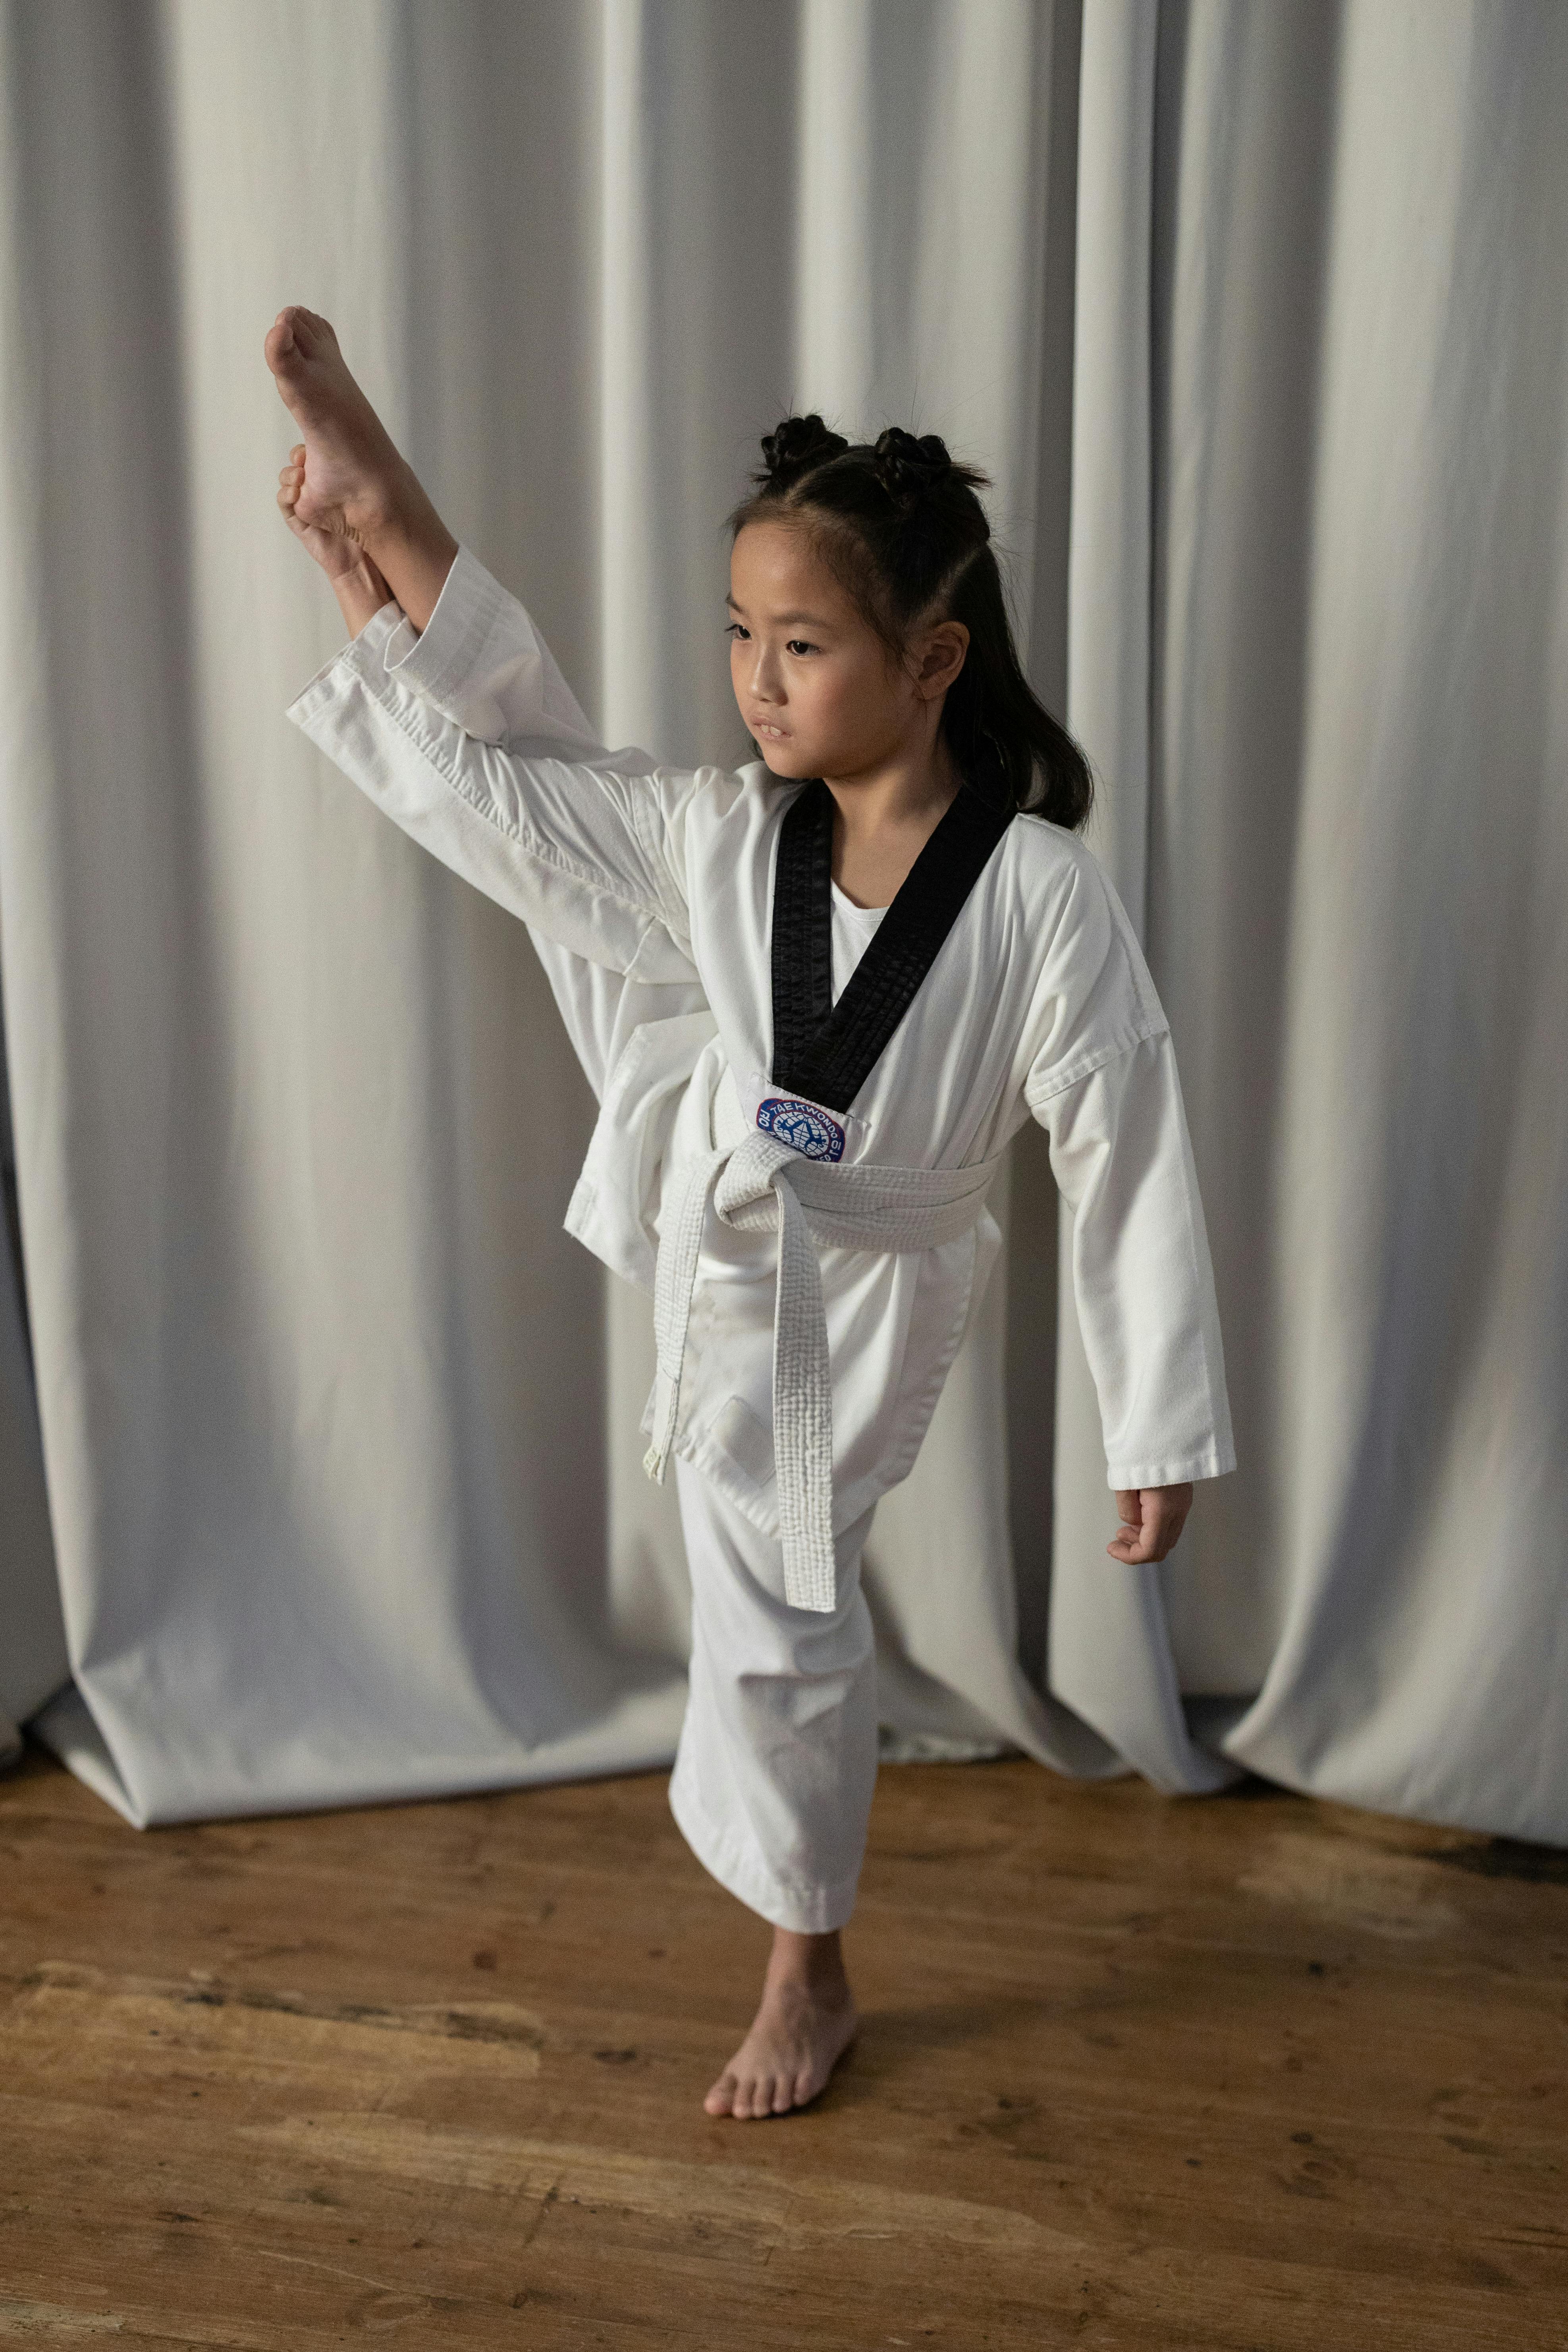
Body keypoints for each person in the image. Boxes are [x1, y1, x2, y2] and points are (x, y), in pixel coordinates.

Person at [266, 304, 1235, 2122]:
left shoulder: (1035, 896)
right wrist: (356, 589)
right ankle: (384, 520)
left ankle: (811, 1957)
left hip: (862, 1272)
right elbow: (511, 808)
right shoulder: (736, 830)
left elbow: (1121, 1130)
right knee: (558, 832)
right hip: (703, 1132)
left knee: (786, 1600)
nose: (756, 678)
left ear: (933, 658)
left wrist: (1155, 1406)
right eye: (739, 636)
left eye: (800, 644)